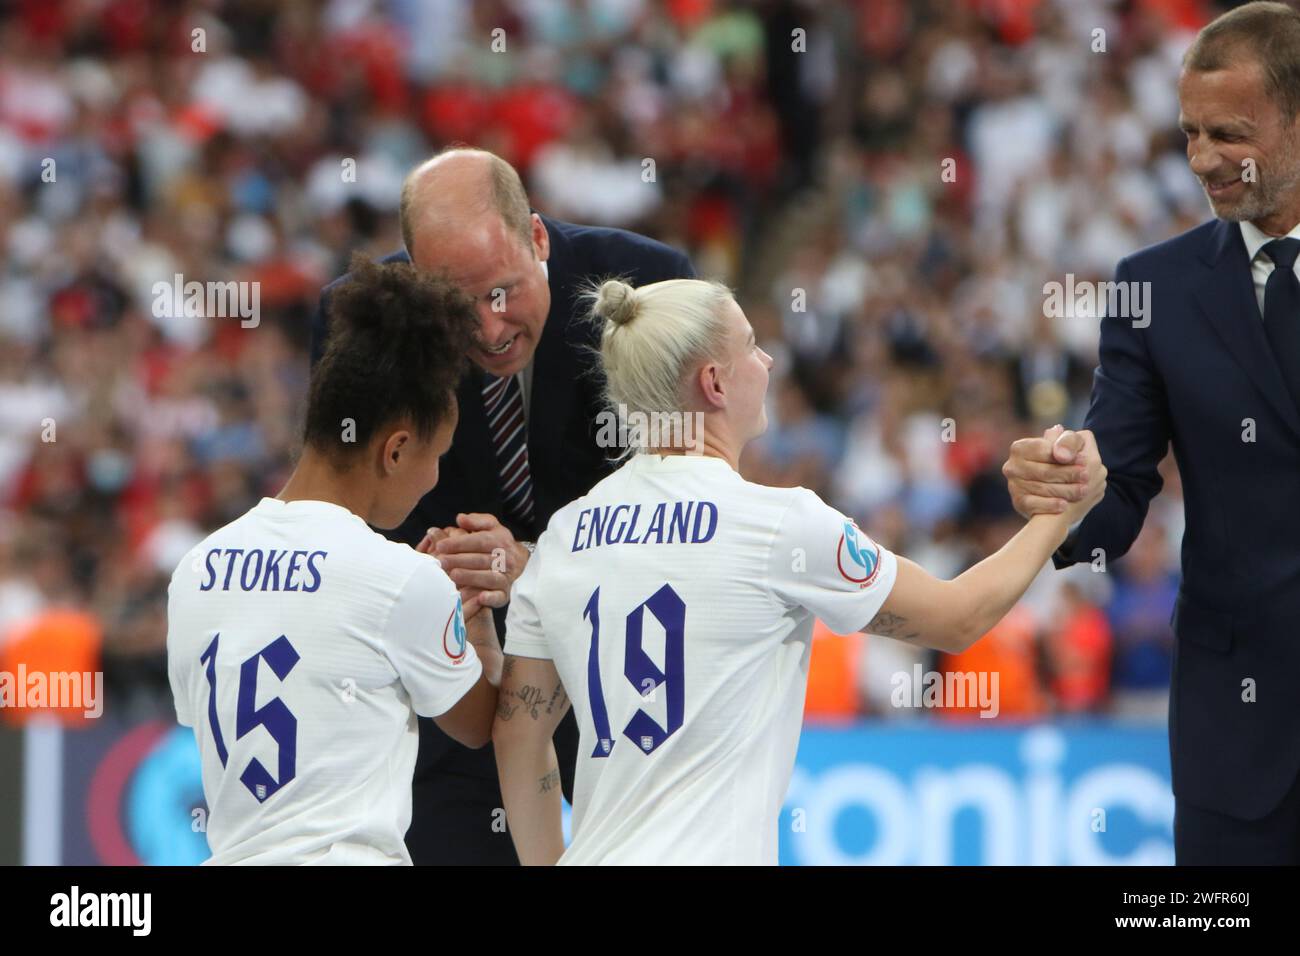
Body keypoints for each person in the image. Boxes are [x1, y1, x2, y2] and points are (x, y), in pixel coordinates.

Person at [491, 277, 1107, 865]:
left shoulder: (564, 535)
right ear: (714, 382)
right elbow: (958, 618)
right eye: (753, 347)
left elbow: (519, 735)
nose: (769, 362)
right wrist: (1062, 515)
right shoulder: (779, 524)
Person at [311, 146, 695, 864]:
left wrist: (539, 567)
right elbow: (352, 514)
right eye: (456, 306)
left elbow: (689, 515)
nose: (489, 330)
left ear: (538, 239)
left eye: (503, 292)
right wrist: (432, 571)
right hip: (454, 673)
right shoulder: (361, 320)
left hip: (618, 660)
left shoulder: (650, 286)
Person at [1002, 1, 1300, 865]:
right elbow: (1116, 493)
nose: (1203, 158)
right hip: (1236, 742)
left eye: (1228, 133)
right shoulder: (1153, 289)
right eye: (1189, 133)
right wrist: (1063, 488)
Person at [167, 256, 504, 865]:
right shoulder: (401, 578)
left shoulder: (194, 570)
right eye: (440, 457)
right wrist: (472, 620)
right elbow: (480, 725)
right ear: (397, 449)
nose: (435, 479)